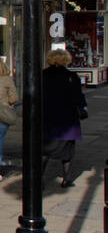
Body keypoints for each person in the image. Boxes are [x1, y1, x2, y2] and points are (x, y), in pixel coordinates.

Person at [42, 48, 87, 188]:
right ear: (65, 60)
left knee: (45, 149)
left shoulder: (42, 75)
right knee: (67, 149)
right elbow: (78, 98)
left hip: (47, 116)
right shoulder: (71, 76)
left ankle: (39, 177)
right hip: (67, 118)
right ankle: (66, 179)